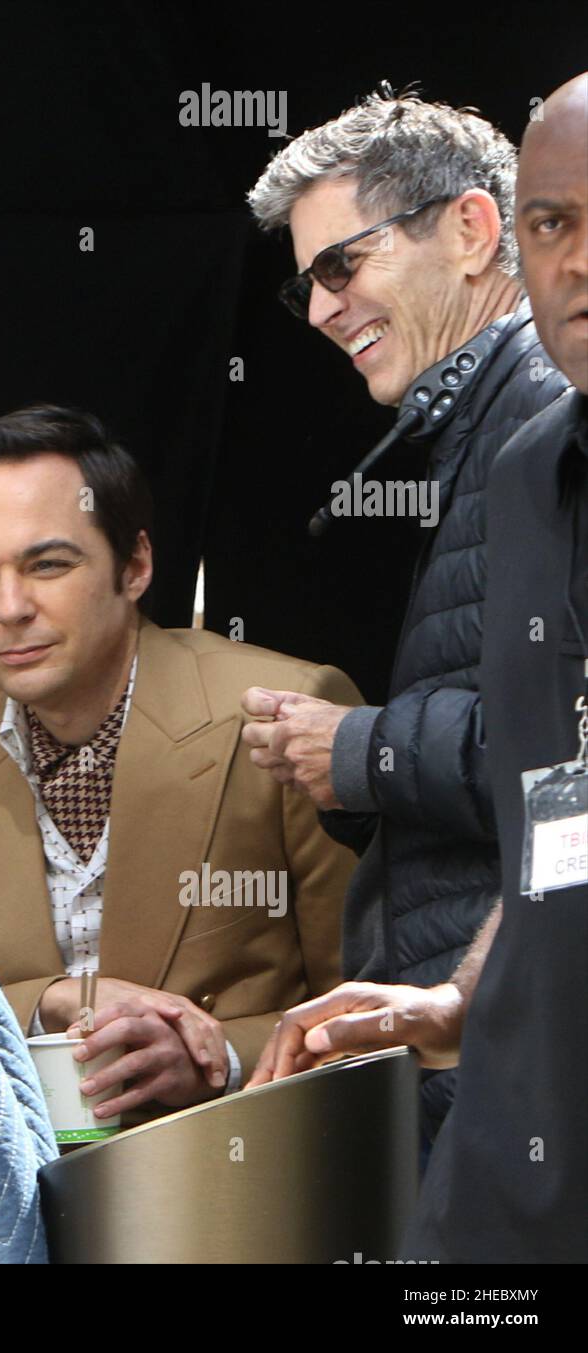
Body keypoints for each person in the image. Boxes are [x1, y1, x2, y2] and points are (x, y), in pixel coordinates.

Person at [247, 72, 588, 1263]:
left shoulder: (541, 413)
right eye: (304, 286)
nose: (322, 309)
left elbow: (558, 759)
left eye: (341, 265)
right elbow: (565, 783)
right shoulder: (517, 427)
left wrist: (362, 748)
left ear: (469, 229)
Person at [0, 405, 360, 1119]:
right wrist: (47, 1003)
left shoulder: (281, 713)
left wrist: (216, 1057)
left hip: (230, 1175)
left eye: (47, 565)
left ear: (135, 565)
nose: (8, 607)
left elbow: (381, 1007)